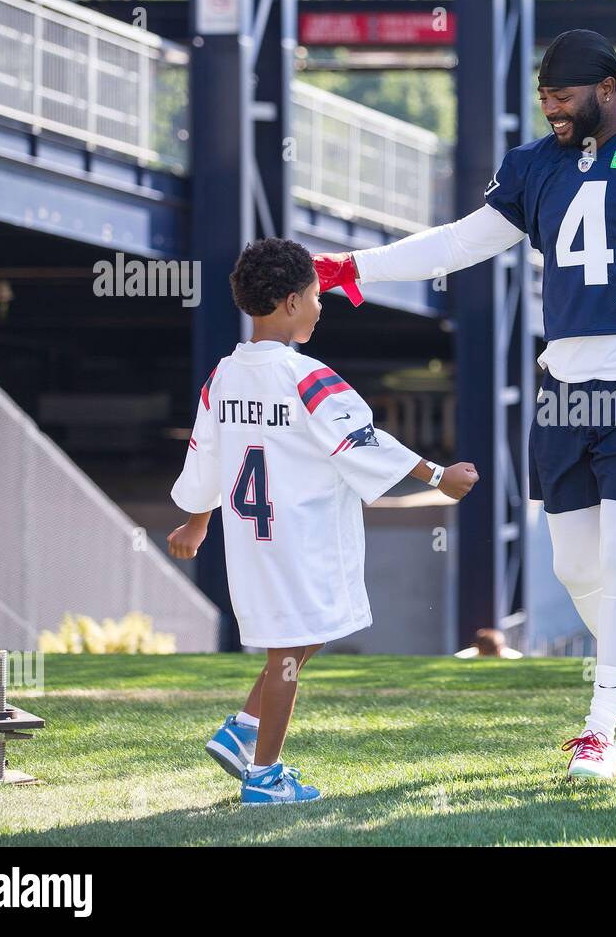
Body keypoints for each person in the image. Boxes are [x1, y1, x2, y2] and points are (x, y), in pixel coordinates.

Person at [313, 29, 616, 780]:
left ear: (607, 88)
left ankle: (598, 730)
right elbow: (458, 243)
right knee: (575, 567)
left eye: (563, 96)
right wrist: (357, 266)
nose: (551, 108)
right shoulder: (533, 168)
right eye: (543, 96)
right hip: (563, 389)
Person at [167, 237, 478, 806]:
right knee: (289, 651)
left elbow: (203, 452)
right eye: (315, 296)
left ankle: (242, 729)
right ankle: (264, 776)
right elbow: (362, 440)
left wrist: (197, 520)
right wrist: (439, 475)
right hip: (300, 538)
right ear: (290, 302)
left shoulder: (224, 377)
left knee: (303, 636)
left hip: (251, 538)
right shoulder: (306, 376)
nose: (320, 306)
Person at [455, 628, 523, 659]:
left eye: (493, 648)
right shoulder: (465, 656)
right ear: (478, 647)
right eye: (488, 649)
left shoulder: (512, 657)